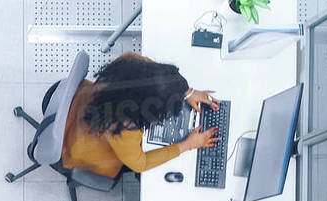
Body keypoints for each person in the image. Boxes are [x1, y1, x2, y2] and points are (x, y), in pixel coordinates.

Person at [61, 52, 220, 178]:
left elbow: (157, 78)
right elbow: (139, 164)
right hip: (84, 144)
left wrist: (187, 91)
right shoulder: (123, 128)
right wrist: (188, 145)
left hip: (83, 100)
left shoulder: (130, 61)